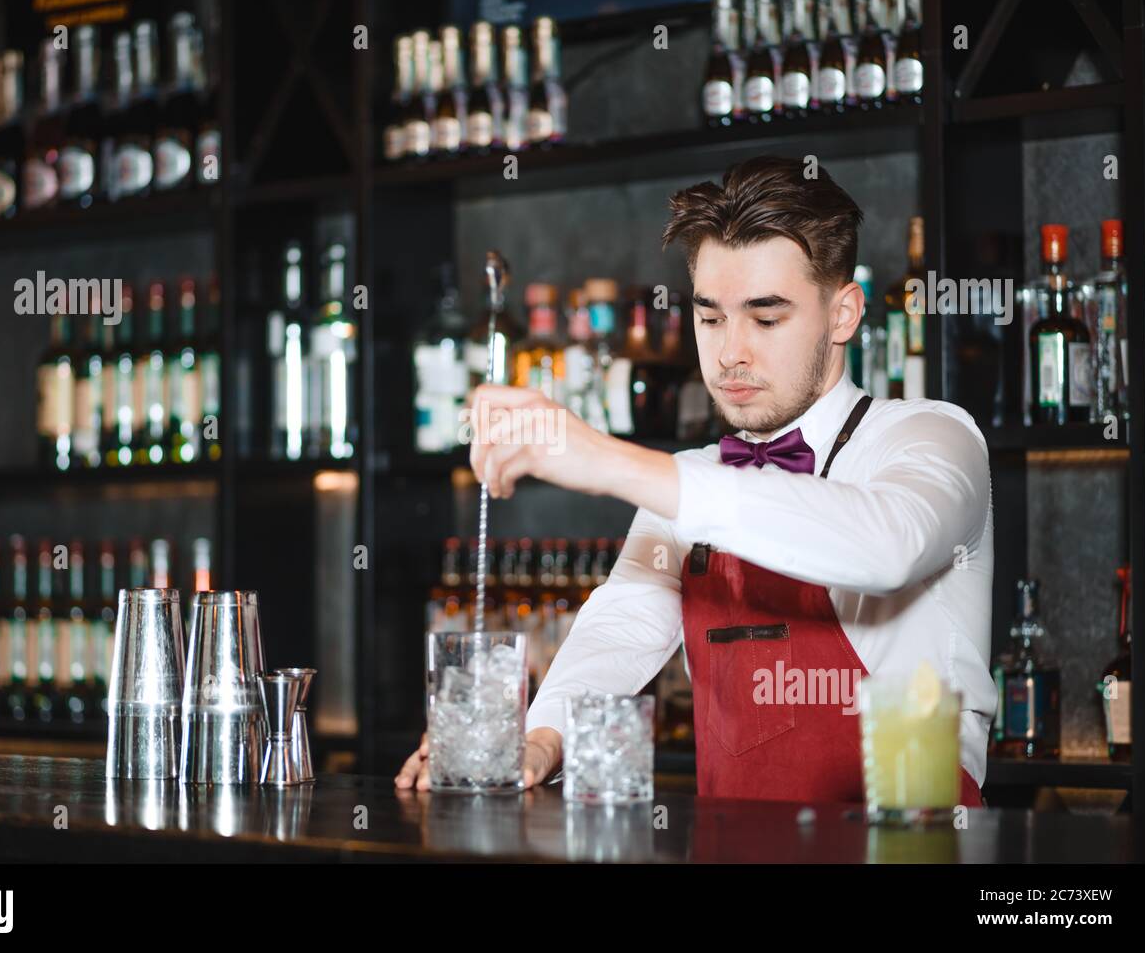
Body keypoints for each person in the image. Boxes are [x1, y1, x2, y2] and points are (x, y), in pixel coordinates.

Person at [396, 155, 993, 805]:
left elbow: (886, 546)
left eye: (766, 318)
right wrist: (540, 737)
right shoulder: (694, 480)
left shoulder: (934, 439)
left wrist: (608, 461)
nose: (731, 351)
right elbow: (620, 629)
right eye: (711, 318)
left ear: (843, 314)